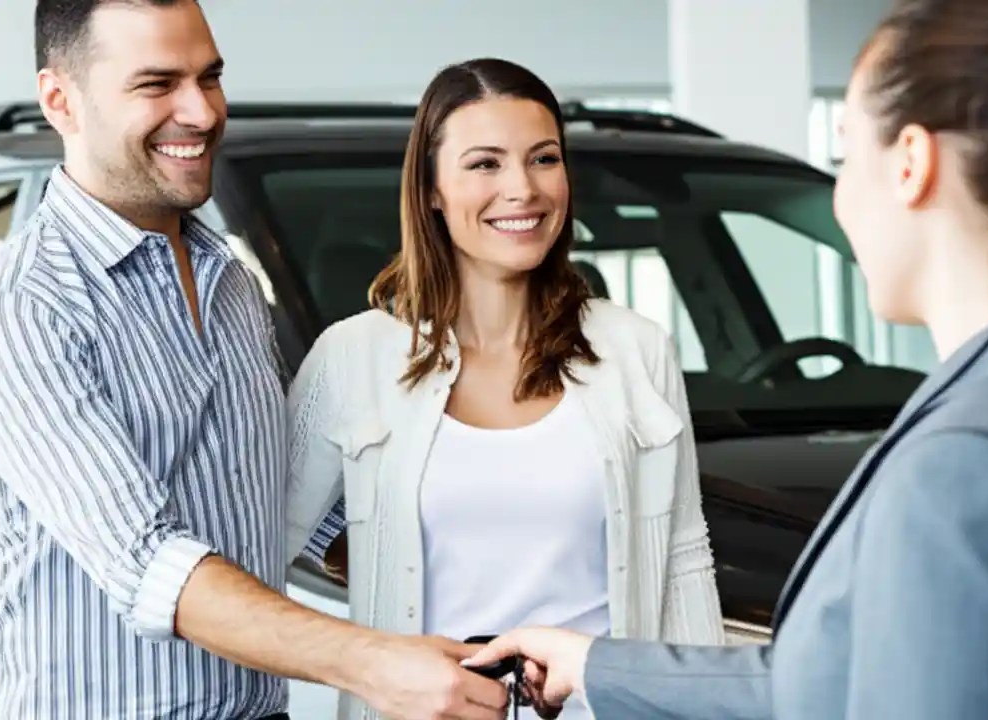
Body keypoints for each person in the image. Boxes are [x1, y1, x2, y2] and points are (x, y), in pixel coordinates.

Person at [465, 2, 988, 718]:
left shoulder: (970, 463)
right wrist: (598, 665)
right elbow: (844, 676)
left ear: (911, 163)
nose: (840, 197)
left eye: (846, 153)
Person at [0, 2, 507, 719]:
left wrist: (501, 578)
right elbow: (149, 562)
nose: (203, 112)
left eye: (209, 78)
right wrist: (375, 662)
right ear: (61, 101)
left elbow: (288, 501)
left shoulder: (230, 281)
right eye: (157, 84)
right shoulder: (24, 308)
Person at [283, 57, 726, 720]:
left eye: (543, 159)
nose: (522, 188)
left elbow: (684, 571)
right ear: (431, 190)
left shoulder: (637, 350)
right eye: (485, 164)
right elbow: (257, 556)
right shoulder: (353, 358)